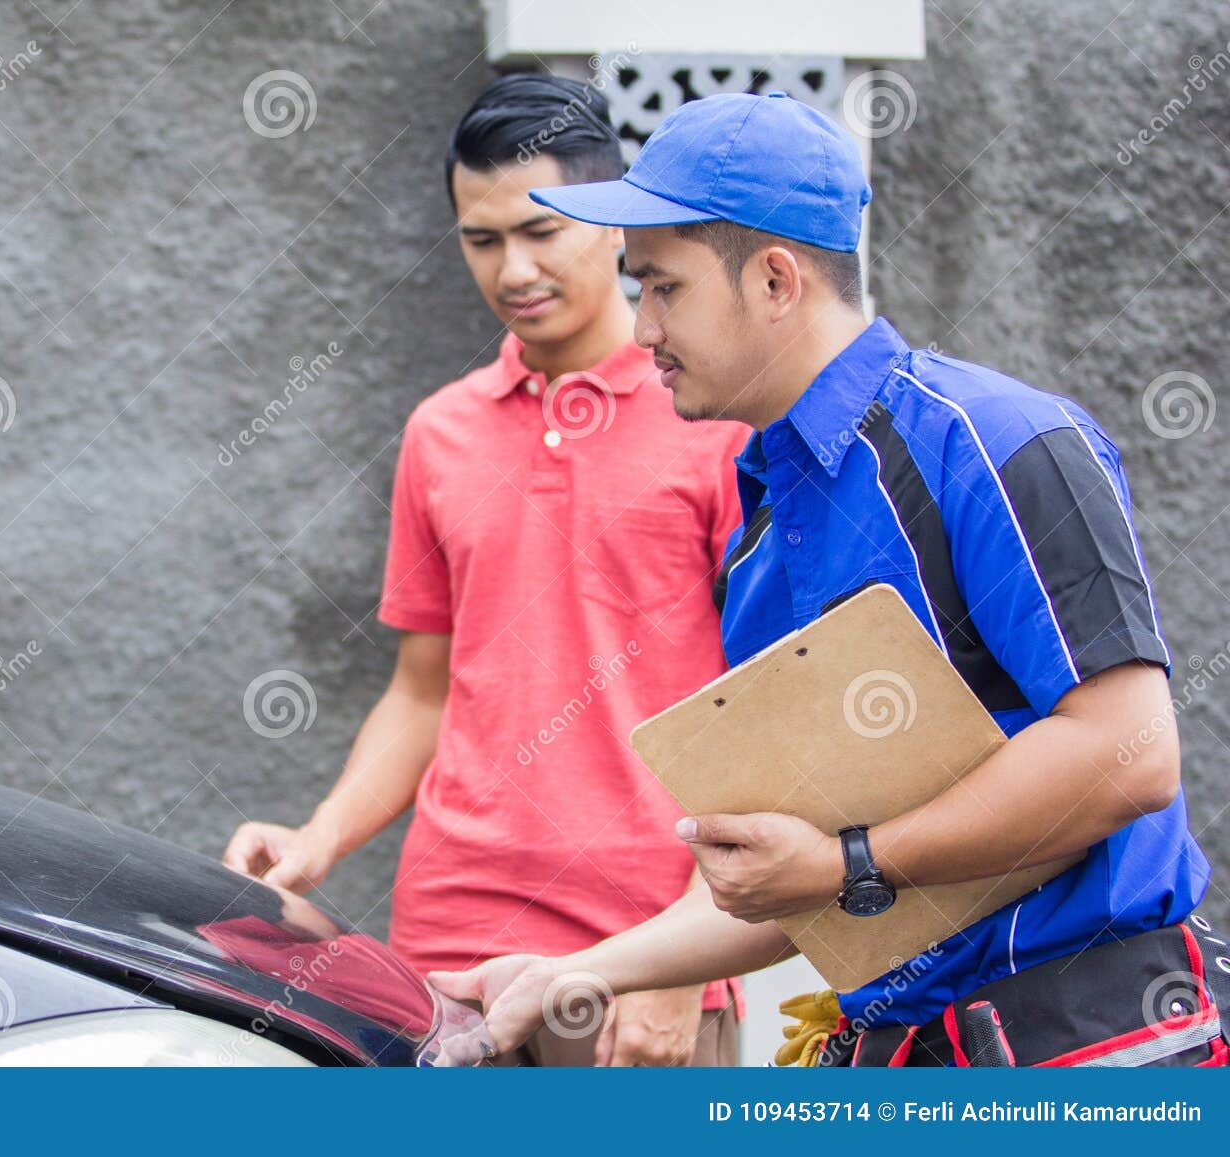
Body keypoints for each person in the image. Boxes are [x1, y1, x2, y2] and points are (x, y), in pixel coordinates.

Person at [429, 91, 1223, 1067]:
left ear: (773, 279)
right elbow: (788, 872)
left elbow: (1129, 751)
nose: (643, 333)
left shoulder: (993, 440)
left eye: (664, 287)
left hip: (1097, 1043)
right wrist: (573, 972)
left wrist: (850, 860)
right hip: (904, 1055)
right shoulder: (760, 534)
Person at [223, 74, 752, 1066]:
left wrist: (686, 962)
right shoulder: (440, 432)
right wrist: (320, 836)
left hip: (634, 952)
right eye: (480, 239)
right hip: (441, 955)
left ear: (610, 224)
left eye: (540, 230)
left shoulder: (714, 426)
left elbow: (764, 705)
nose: (512, 269)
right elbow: (421, 691)